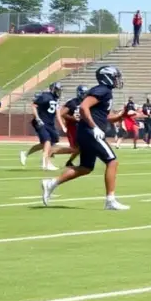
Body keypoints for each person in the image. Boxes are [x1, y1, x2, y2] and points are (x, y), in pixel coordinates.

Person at [40, 65, 129, 210]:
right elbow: (83, 107)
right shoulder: (102, 90)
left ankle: (51, 183)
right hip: (90, 131)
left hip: (87, 131)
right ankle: (110, 200)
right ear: (107, 77)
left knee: (86, 167)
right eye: (115, 77)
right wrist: (94, 127)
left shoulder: (105, 92)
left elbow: (105, 117)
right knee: (112, 162)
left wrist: (121, 116)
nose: (117, 80)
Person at [20, 81, 65, 170]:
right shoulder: (45, 96)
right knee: (47, 141)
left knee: (48, 143)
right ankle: (46, 163)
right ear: (52, 89)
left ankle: (25, 154)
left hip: (50, 123)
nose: (58, 92)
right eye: (57, 90)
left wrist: (62, 125)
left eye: (59, 90)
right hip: (41, 122)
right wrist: (37, 118)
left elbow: (57, 113)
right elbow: (33, 106)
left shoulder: (55, 99)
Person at [59, 85, 87, 168]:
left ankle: (69, 162)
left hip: (82, 126)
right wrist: (73, 118)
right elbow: (62, 113)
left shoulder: (86, 102)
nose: (85, 95)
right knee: (74, 148)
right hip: (73, 127)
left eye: (86, 93)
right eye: (83, 93)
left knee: (82, 147)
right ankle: (52, 151)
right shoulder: (73, 102)